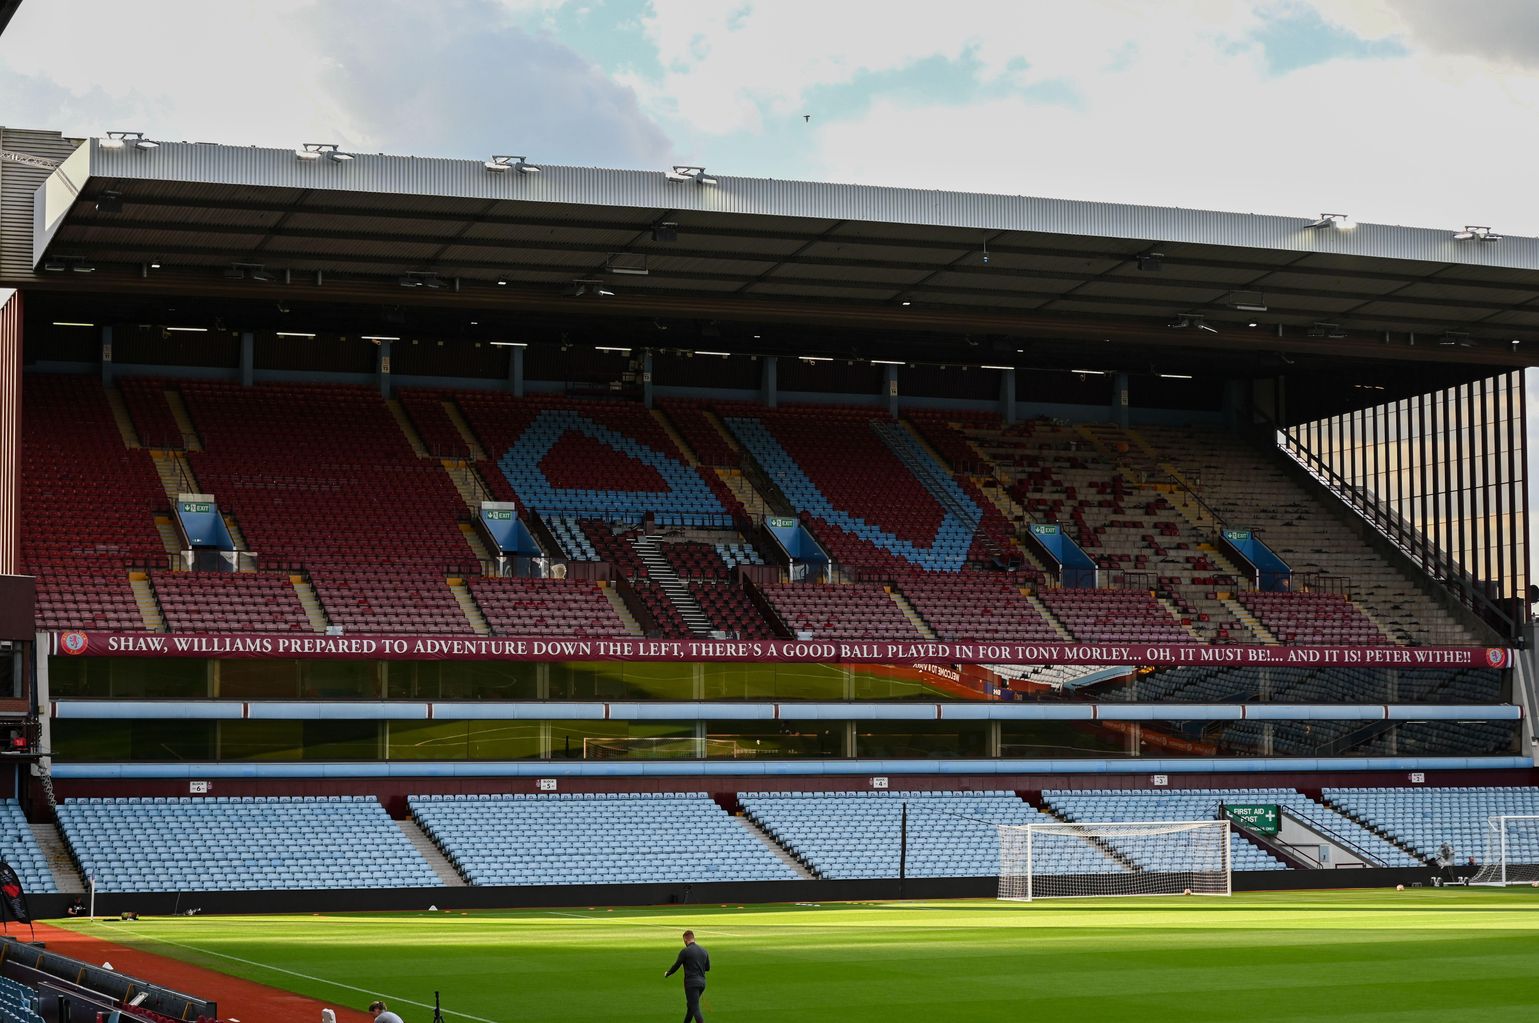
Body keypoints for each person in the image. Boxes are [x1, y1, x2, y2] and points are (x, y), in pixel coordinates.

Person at [664, 929, 710, 1023]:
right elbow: (707, 968)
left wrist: (668, 973)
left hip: (691, 984)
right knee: (691, 1007)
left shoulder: (685, 951)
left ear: (685, 940)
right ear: (694, 938)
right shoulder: (704, 951)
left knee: (695, 1009)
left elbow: (676, 965)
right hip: (702, 983)